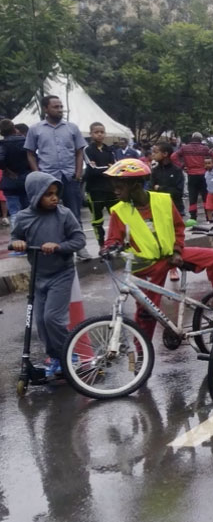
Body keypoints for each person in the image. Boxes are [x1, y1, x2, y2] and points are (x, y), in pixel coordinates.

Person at [102, 158, 213, 339]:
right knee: (146, 314)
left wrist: (177, 251)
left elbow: (178, 228)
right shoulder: (118, 211)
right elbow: (113, 238)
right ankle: (141, 356)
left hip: (172, 255)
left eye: (119, 187)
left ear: (136, 186)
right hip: (148, 267)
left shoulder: (163, 201)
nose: (115, 191)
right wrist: (109, 247)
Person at [8, 172, 85, 377]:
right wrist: (18, 243)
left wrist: (59, 246)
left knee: (53, 318)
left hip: (61, 272)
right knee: (41, 321)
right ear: (35, 195)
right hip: (38, 275)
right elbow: (15, 237)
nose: (54, 198)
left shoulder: (64, 214)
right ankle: (55, 356)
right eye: (47, 194)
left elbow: (79, 240)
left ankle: (69, 354)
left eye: (55, 193)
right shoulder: (24, 217)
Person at [24, 95, 92, 260]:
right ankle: (50, 249)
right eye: (56, 107)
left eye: (61, 106)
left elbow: (79, 152)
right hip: (47, 179)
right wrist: (38, 174)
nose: (60, 110)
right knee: (47, 214)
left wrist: (77, 173)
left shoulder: (72, 128)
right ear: (46, 109)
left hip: (69, 177)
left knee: (74, 213)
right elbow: (30, 154)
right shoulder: (35, 129)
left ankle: (80, 248)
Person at [81, 122, 117, 246]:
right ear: (91, 134)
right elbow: (91, 170)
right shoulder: (87, 150)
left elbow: (116, 168)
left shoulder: (109, 150)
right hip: (95, 190)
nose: (100, 134)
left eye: (102, 132)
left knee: (116, 217)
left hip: (111, 190)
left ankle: (116, 242)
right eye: (96, 132)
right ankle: (101, 245)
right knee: (97, 220)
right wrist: (107, 168)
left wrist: (105, 169)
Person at [173, 132, 213, 222]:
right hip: (203, 175)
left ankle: (193, 217)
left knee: (192, 196)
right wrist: (210, 167)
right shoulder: (205, 148)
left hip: (191, 174)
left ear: (192, 138)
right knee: (206, 196)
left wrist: (182, 166)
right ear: (200, 139)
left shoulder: (184, 148)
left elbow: (173, 156)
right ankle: (208, 216)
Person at [0, 119, 32, 222]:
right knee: (29, 210)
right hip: (26, 178)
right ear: (14, 128)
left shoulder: (2, 145)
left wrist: (7, 170)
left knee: (14, 212)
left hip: (10, 180)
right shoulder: (25, 141)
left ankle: (16, 237)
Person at [150, 142, 186, 222]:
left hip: (175, 208)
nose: (153, 154)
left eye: (156, 152)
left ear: (165, 154)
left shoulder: (176, 171)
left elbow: (178, 192)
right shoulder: (155, 171)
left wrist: (160, 188)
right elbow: (151, 189)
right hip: (159, 209)